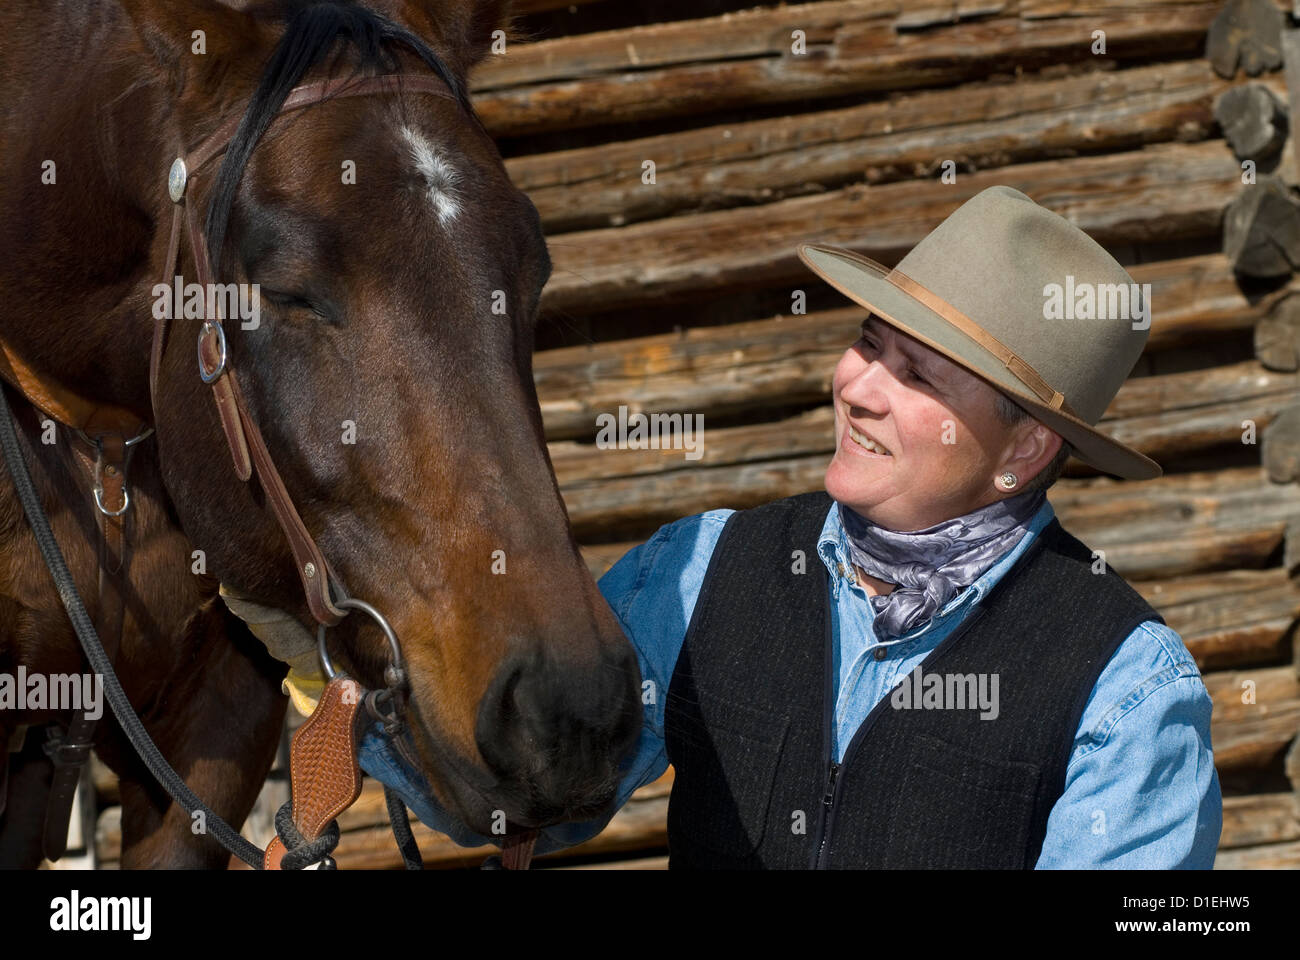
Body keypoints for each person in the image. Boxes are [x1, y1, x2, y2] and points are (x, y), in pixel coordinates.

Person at [358, 185, 1222, 868]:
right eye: (869, 343)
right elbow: (523, 802)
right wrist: (348, 685)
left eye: (916, 374)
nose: (857, 387)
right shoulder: (702, 572)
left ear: (1024, 449)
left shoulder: (1128, 688)